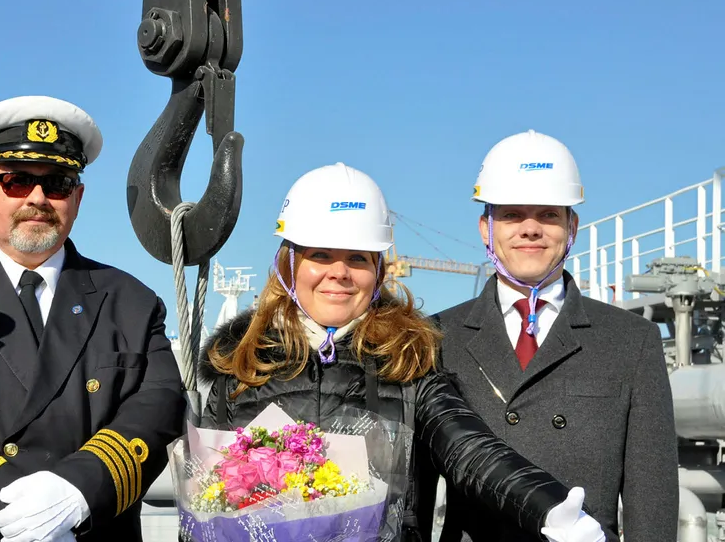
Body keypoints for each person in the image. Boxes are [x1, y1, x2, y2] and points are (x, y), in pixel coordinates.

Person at [198, 162, 607, 542]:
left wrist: (548, 508)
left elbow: (470, 449)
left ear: (377, 271)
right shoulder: (238, 368)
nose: (339, 273)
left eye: (357, 257)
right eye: (320, 254)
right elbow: (206, 496)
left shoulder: (408, 365)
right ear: (289, 264)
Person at [0, 95, 185, 542]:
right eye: (16, 181)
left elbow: (157, 409)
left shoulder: (131, 302)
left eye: (57, 183)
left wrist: (77, 492)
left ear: (77, 198)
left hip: (89, 528)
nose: (38, 198)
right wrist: (18, 516)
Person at [430, 130, 678, 541]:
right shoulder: (437, 337)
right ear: (484, 228)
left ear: (572, 226)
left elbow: (653, 496)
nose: (531, 229)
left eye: (548, 214)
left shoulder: (632, 341)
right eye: (511, 214)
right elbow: (412, 496)